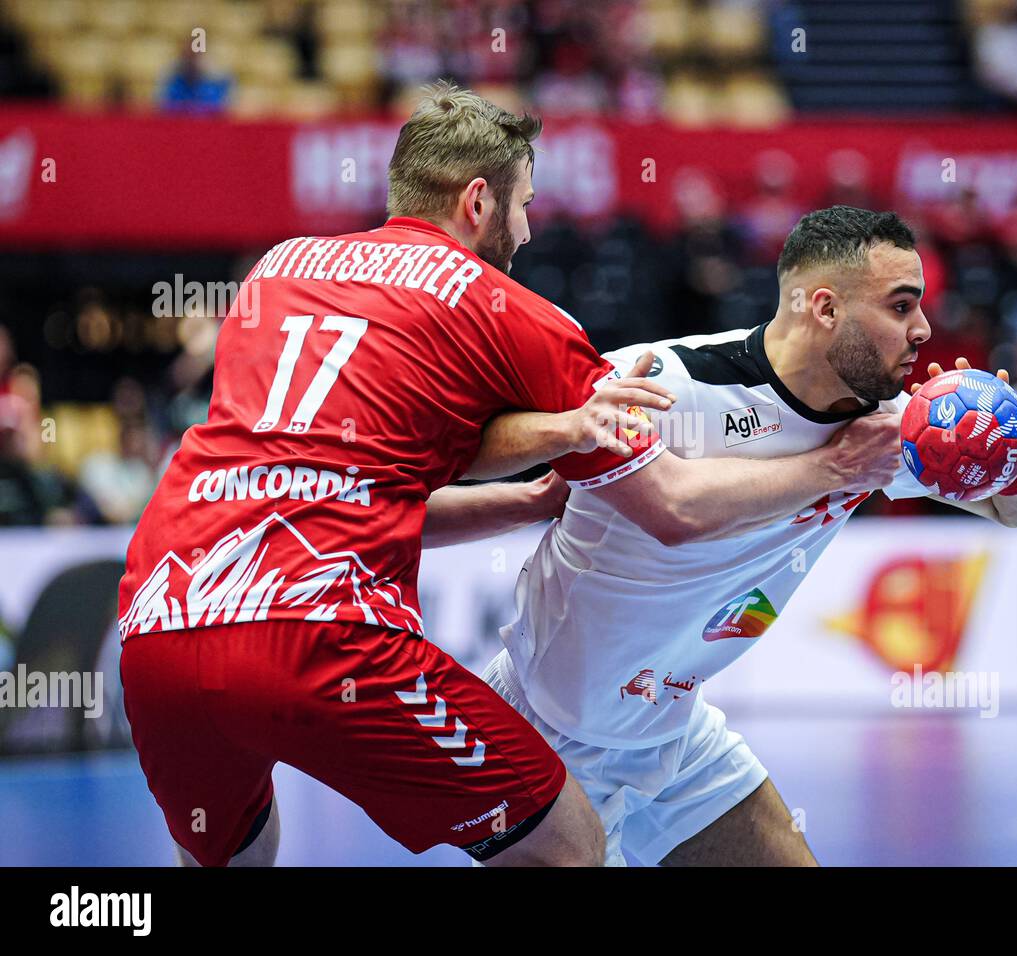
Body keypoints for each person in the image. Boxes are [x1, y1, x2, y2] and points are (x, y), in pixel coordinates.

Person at [117, 85, 900, 867]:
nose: (526, 232)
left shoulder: (278, 270)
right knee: (567, 845)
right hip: (324, 637)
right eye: (524, 205)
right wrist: (833, 466)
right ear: (479, 200)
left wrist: (526, 500)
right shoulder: (513, 311)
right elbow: (671, 508)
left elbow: (349, 489)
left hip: (160, 621)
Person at [465, 207, 1017, 865]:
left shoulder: (886, 431)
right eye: (901, 306)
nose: (922, 329)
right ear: (827, 308)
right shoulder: (666, 382)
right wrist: (830, 469)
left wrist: (1004, 452)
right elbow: (671, 510)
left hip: (669, 732)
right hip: (544, 734)